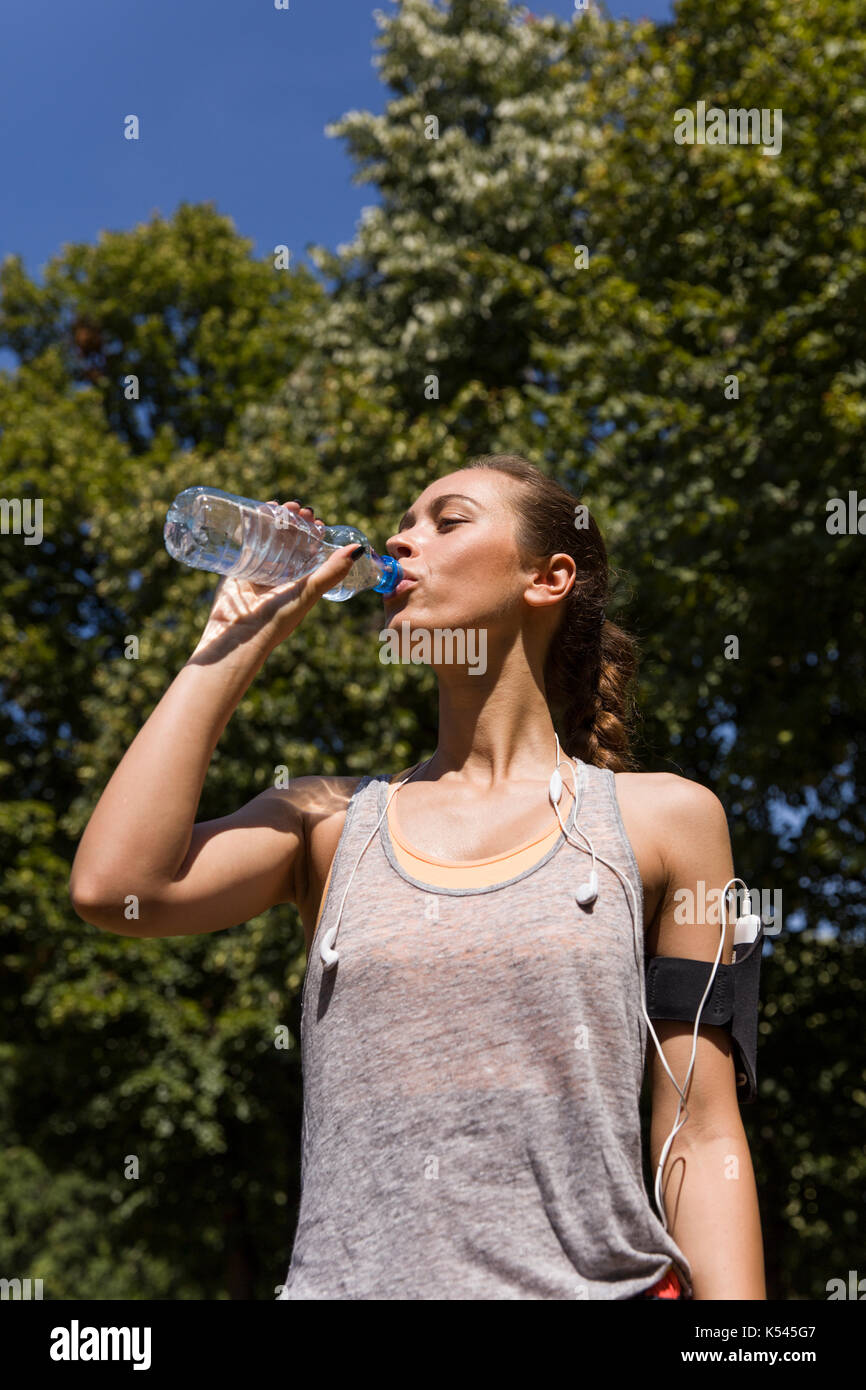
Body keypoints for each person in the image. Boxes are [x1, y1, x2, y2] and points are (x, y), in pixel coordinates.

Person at [70, 452, 766, 1300]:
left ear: (547, 579)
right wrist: (233, 640)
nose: (401, 538)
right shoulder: (326, 822)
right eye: (405, 522)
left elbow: (700, 1129)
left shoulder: (665, 822)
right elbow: (115, 887)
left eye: (449, 519)